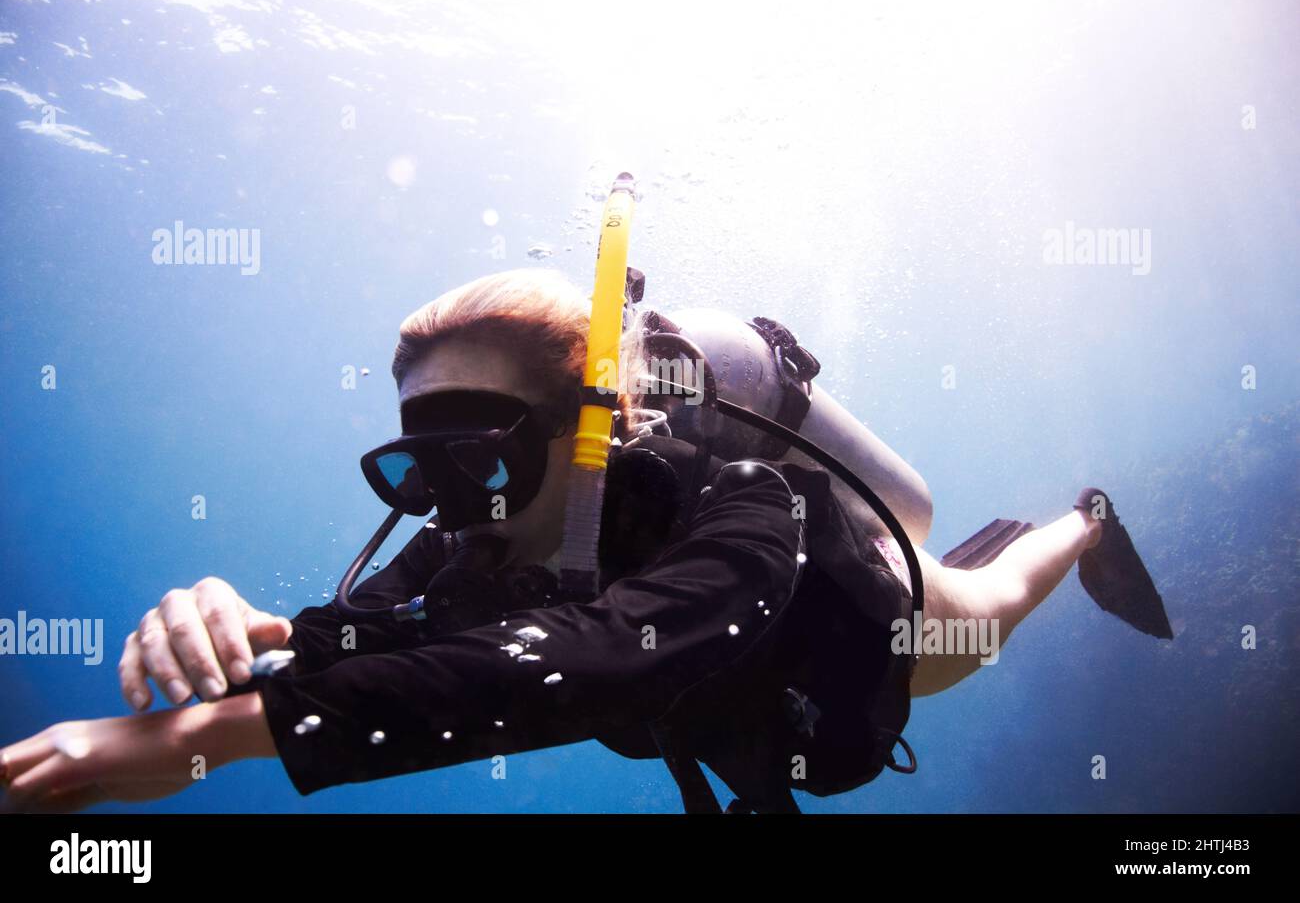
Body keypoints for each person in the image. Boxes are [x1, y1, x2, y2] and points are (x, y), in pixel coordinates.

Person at [0, 269, 1170, 813]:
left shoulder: (746, 496)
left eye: (485, 453)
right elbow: (359, 651)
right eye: (420, 467)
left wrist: (229, 731)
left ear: (594, 430)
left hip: (876, 643)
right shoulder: (477, 538)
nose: (454, 507)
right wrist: (229, 635)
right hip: (749, 731)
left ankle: (1085, 517)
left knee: (997, 596)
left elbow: (620, 650)